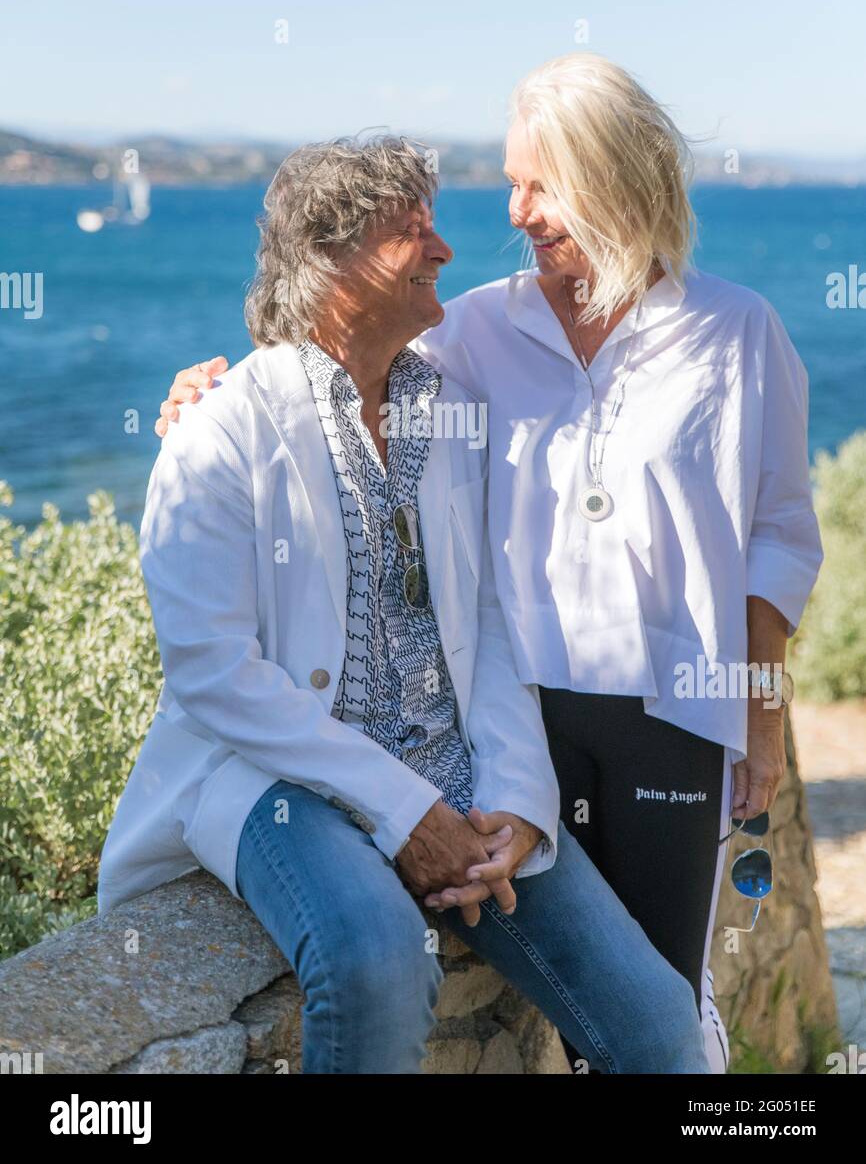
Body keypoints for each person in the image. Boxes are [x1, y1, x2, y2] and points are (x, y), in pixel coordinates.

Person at [155, 56, 823, 1073]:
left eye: (538, 184)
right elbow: (318, 370)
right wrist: (197, 402)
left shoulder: (726, 333)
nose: (501, 218)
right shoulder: (468, 332)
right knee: (444, 969)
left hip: (656, 717)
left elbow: (766, 534)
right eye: (506, 183)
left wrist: (753, 717)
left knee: (662, 1010)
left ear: (613, 179)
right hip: (468, 735)